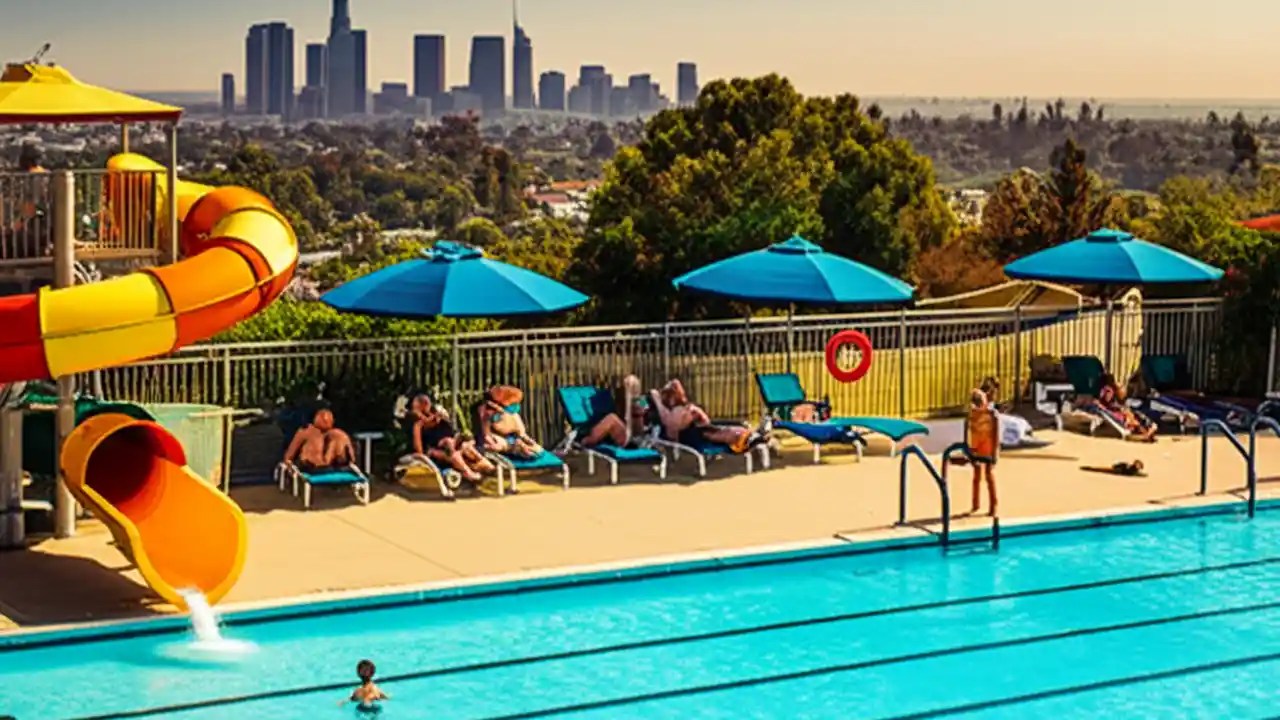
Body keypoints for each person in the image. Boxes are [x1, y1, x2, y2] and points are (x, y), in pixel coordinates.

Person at [650, 379, 766, 454]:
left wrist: (697, 415)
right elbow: (671, 425)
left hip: (700, 430)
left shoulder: (680, 409)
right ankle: (750, 437)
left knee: (724, 429)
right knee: (720, 433)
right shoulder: (674, 411)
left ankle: (751, 435)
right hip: (697, 436)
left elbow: (705, 420)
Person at [410, 394, 495, 482]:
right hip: (435, 451)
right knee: (454, 455)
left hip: (452, 447)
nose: (427, 416)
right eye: (423, 412)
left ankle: (487, 467)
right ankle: (469, 473)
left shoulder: (441, 421)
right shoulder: (418, 426)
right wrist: (419, 426)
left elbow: (454, 435)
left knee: (466, 448)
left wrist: (456, 441)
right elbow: (420, 451)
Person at [283, 408, 355, 473]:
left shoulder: (305, 432)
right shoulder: (341, 434)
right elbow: (352, 459)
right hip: (336, 469)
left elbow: (289, 457)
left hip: (313, 469)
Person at [478, 385, 542, 458]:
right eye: (513, 403)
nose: (516, 406)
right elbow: (487, 435)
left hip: (513, 439)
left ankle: (521, 449)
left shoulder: (512, 414)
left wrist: (526, 439)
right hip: (499, 440)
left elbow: (521, 432)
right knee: (496, 446)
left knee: (537, 449)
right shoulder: (487, 413)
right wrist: (507, 446)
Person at [1095, 372, 1157, 442]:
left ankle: (1144, 431)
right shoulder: (1108, 390)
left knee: (1131, 415)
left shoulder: (1111, 393)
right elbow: (1107, 401)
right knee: (1129, 416)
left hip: (1117, 413)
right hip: (1113, 414)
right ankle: (1142, 432)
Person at [979, 376, 1037, 448]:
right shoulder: (981, 396)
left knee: (1019, 420)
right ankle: (1019, 437)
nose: (995, 392)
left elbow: (994, 408)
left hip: (994, 417)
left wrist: (1001, 409)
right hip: (989, 421)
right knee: (1015, 423)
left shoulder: (989, 397)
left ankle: (1023, 434)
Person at [967, 388, 999, 517]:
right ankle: (975, 504)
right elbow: (971, 432)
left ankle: (993, 505)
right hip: (977, 448)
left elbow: (996, 434)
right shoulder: (972, 414)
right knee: (977, 477)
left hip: (988, 449)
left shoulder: (992, 414)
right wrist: (970, 450)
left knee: (989, 476)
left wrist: (995, 452)